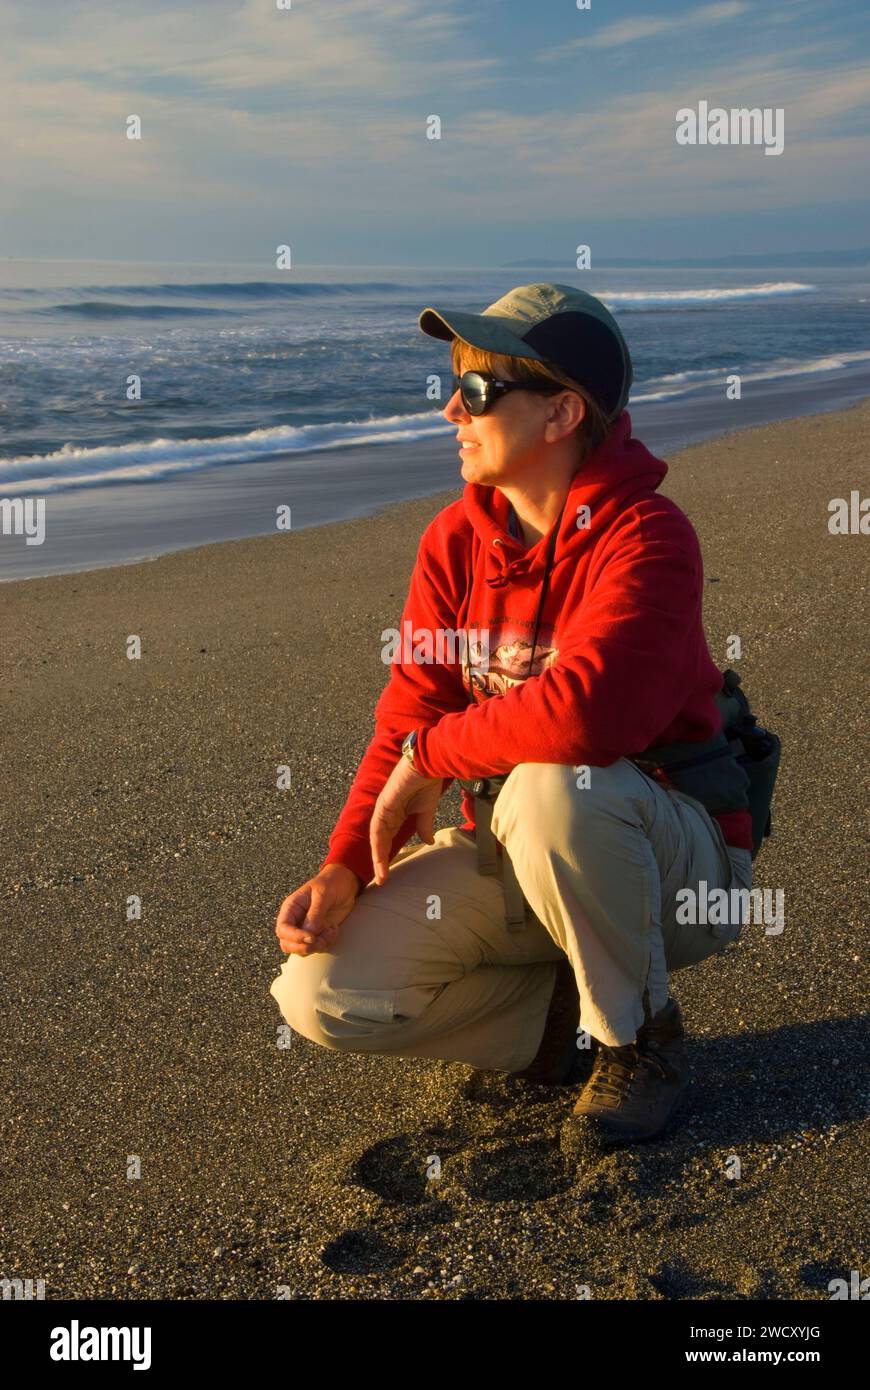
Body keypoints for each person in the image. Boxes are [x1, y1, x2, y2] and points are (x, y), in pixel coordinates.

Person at [270, 283, 754, 1144]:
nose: (451, 408)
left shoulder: (649, 537)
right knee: (321, 996)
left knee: (557, 785)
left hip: (677, 866)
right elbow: (410, 712)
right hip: (519, 856)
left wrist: (433, 754)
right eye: (453, 383)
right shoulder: (452, 544)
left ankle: (639, 1043)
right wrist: (343, 864)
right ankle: (558, 1027)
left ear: (564, 412)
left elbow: (587, 723)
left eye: (481, 391)